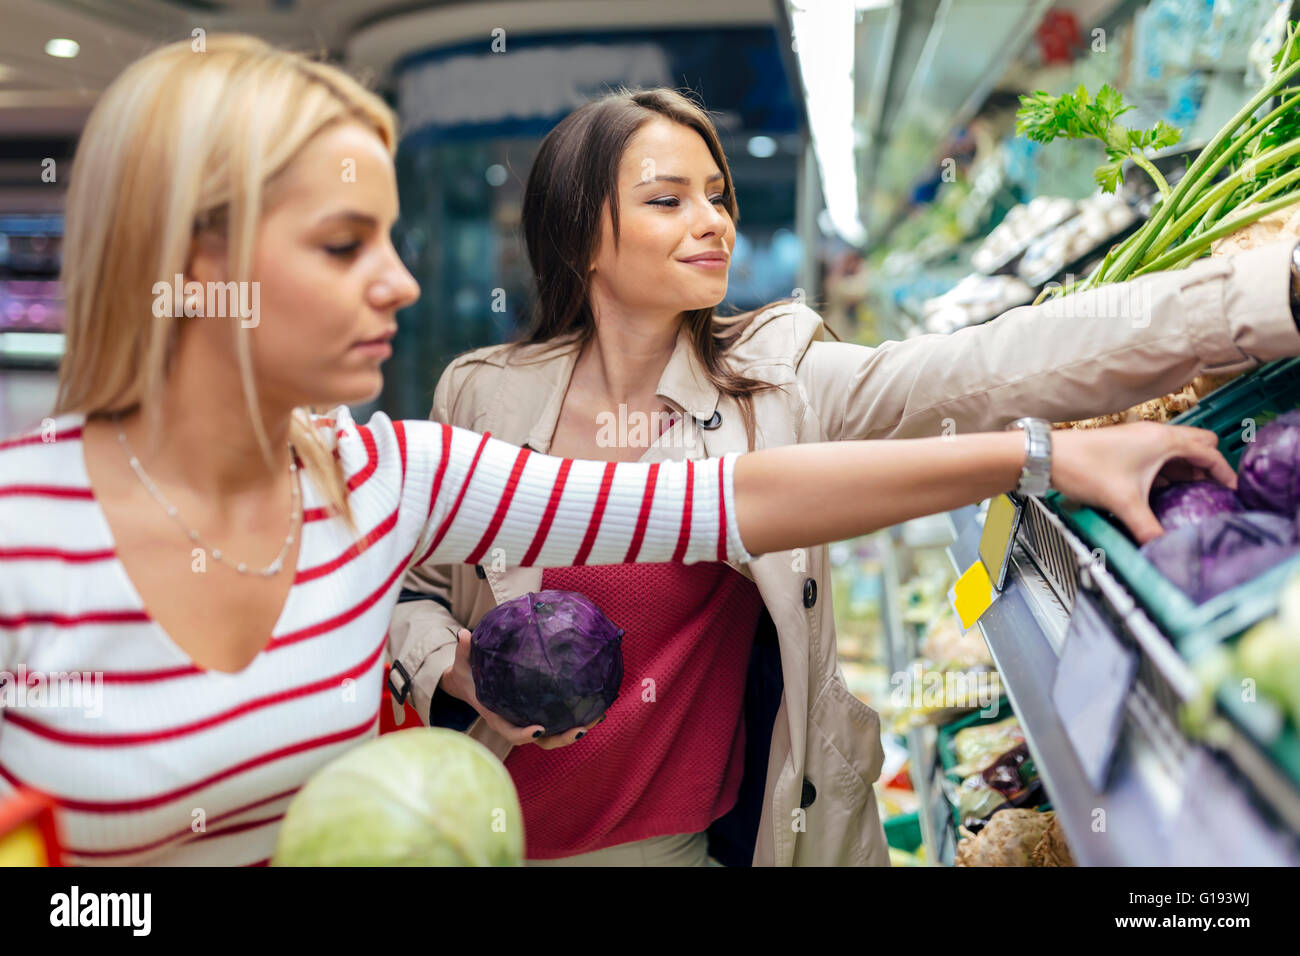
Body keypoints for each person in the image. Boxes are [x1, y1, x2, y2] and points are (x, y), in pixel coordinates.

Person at [391, 88, 1300, 867]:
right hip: (479, 831)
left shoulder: (776, 379)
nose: (713, 221)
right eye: (668, 201)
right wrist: (463, 670)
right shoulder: (484, 396)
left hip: (684, 848)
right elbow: (409, 594)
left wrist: (1261, 296)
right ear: (581, 234)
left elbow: (993, 365)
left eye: (719, 196)